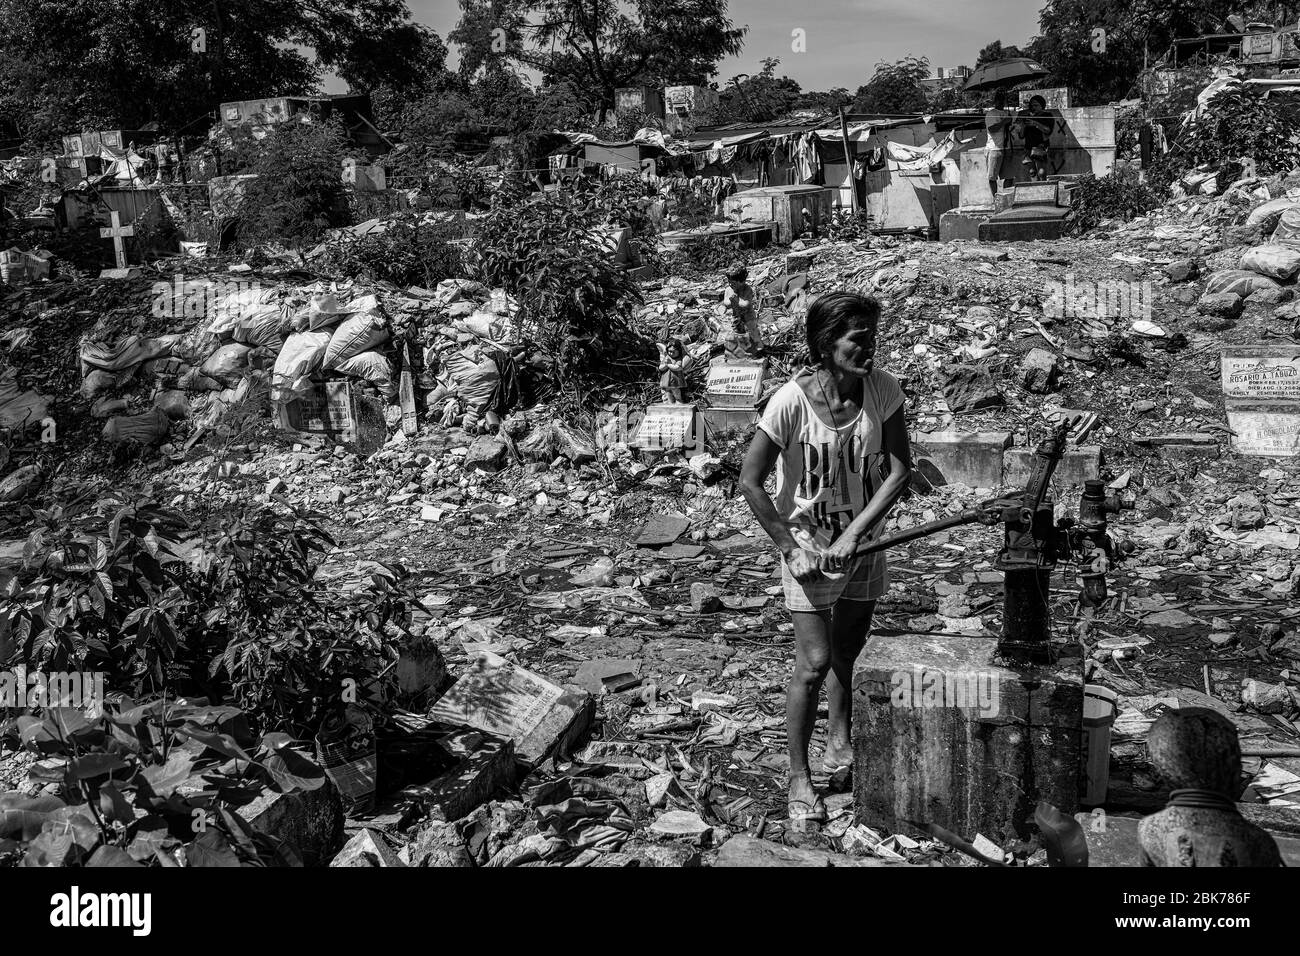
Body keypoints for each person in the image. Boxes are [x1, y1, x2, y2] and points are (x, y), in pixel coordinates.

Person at [738, 291, 912, 826]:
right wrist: (791, 548)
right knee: (813, 664)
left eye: (872, 338)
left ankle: (840, 741)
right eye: (858, 340)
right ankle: (798, 777)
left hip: (862, 545)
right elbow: (751, 481)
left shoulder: (882, 389)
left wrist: (857, 535)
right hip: (809, 552)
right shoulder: (790, 402)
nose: (869, 349)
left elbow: (900, 471)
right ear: (825, 344)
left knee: (849, 649)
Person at [722, 263, 763, 355]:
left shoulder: (747, 289)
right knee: (738, 333)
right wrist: (731, 301)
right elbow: (726, 303)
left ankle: (758, 346)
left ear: (742, 281)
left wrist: (736, 301)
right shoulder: (728, 290)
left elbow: (746, 304)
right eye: (729, 282)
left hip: (748, 316)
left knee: (752, 331)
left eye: (734, 283)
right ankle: (741, 349)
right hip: (736, 316)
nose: (730, 284)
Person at [984, 90, 1013, 200]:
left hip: (1007, 147)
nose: (1001, 102)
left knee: (1009, 176)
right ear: (995, 101)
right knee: (992, 177)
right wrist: (1003, 122)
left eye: (1003, 100)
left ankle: (1005, 198)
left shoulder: (1007, 113)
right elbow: (992, 129)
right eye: (999, 100)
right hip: (994, 148)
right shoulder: (991, 113)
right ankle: (995, 199)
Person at [1018, 95, 1054, 182]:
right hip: (1028, 147)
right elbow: (1021, 136)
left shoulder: (1047, 115)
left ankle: (1043, 188)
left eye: (1036, 105)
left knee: (1041, 172)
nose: (1033, 107)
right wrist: (1022, 125)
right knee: (1032, 172)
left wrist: (1035, 124)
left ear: (1042, 105)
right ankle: (1035, 188)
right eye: (1032, 105)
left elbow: (1048, 130)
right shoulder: (1026, 116)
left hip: (1040, 146)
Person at [657, 337, 687, 403]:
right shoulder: (666, 358)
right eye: (669, 351)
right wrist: (665, 365)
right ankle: (670, 402)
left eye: (673, 352)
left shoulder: (678, 359)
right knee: (668, 391)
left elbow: (678, 367)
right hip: (666, 378)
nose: (671, 354)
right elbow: (660, 368)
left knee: (676, 390)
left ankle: (678, 400)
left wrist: (669, 365)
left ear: (679, 351)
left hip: (675, 378)